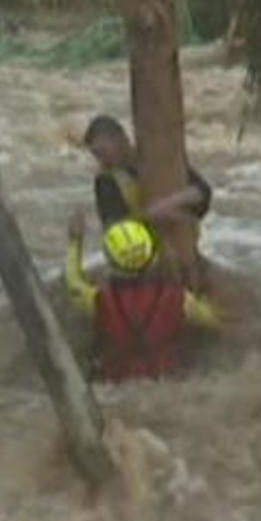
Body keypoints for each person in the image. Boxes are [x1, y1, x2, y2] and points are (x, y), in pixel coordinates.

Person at [65, 213, 219, 383]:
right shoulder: (180, 299)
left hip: (113, 385)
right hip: (167, 382)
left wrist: (75, 241)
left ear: (111, 260)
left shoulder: (97, 301)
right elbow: (214, 320)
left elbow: (73, 282)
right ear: (151, 255)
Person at [82, 115, 213, 229]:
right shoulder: (106, 180)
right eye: (96, 155)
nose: (101, 161)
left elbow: (203, 191)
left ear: (121, 139)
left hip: (178, 242)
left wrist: (172, 201)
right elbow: (114, 225)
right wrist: (149, 215)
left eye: (102, 152)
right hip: (139, 249)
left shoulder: (156, 156)